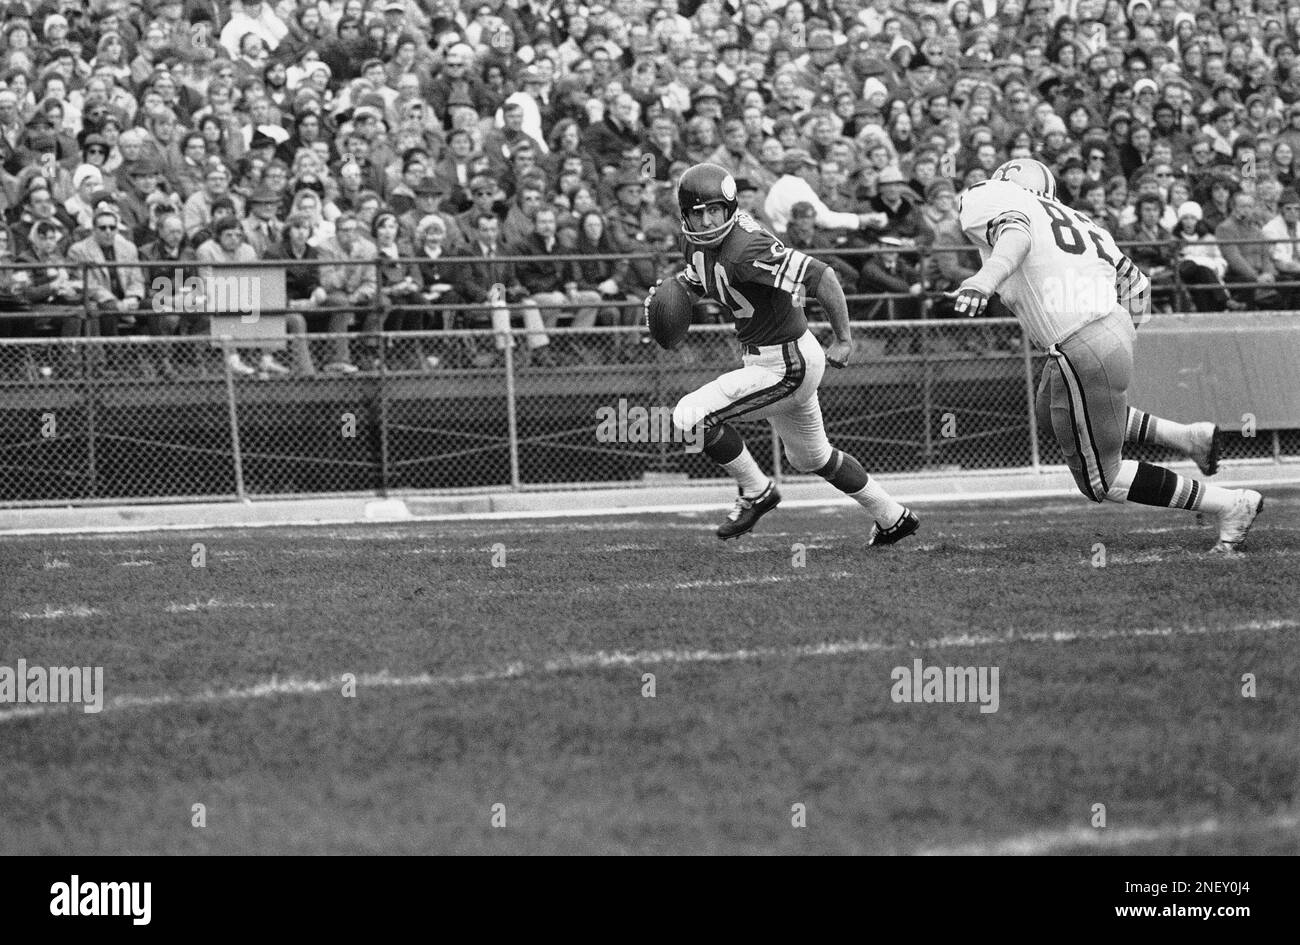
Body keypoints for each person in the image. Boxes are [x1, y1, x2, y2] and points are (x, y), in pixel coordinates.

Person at [953, 159, 1263, 555]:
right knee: (1051, 414)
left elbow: (1016, 232)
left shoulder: (994, 195)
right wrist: (1112, 341)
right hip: (1110, 327)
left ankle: (1229, 504)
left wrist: (985, 278)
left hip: (1079, 339)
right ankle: (1187, 436)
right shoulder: (1081, 220)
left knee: (1102, 479)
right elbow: (1138, 286)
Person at [649, 162, 919, 544]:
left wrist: (844, 339)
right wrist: (668, 297)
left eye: (715, 210)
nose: (707, 221)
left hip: (786, 363)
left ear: (730, 208)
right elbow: (698, 284)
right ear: (685, 215)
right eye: (698, 213)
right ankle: (893, 517)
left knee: (690, 415)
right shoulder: (693, 243)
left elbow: (822, 276)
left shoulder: (747, 246)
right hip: (769, 359)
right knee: (811, 458)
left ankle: (756, 490)